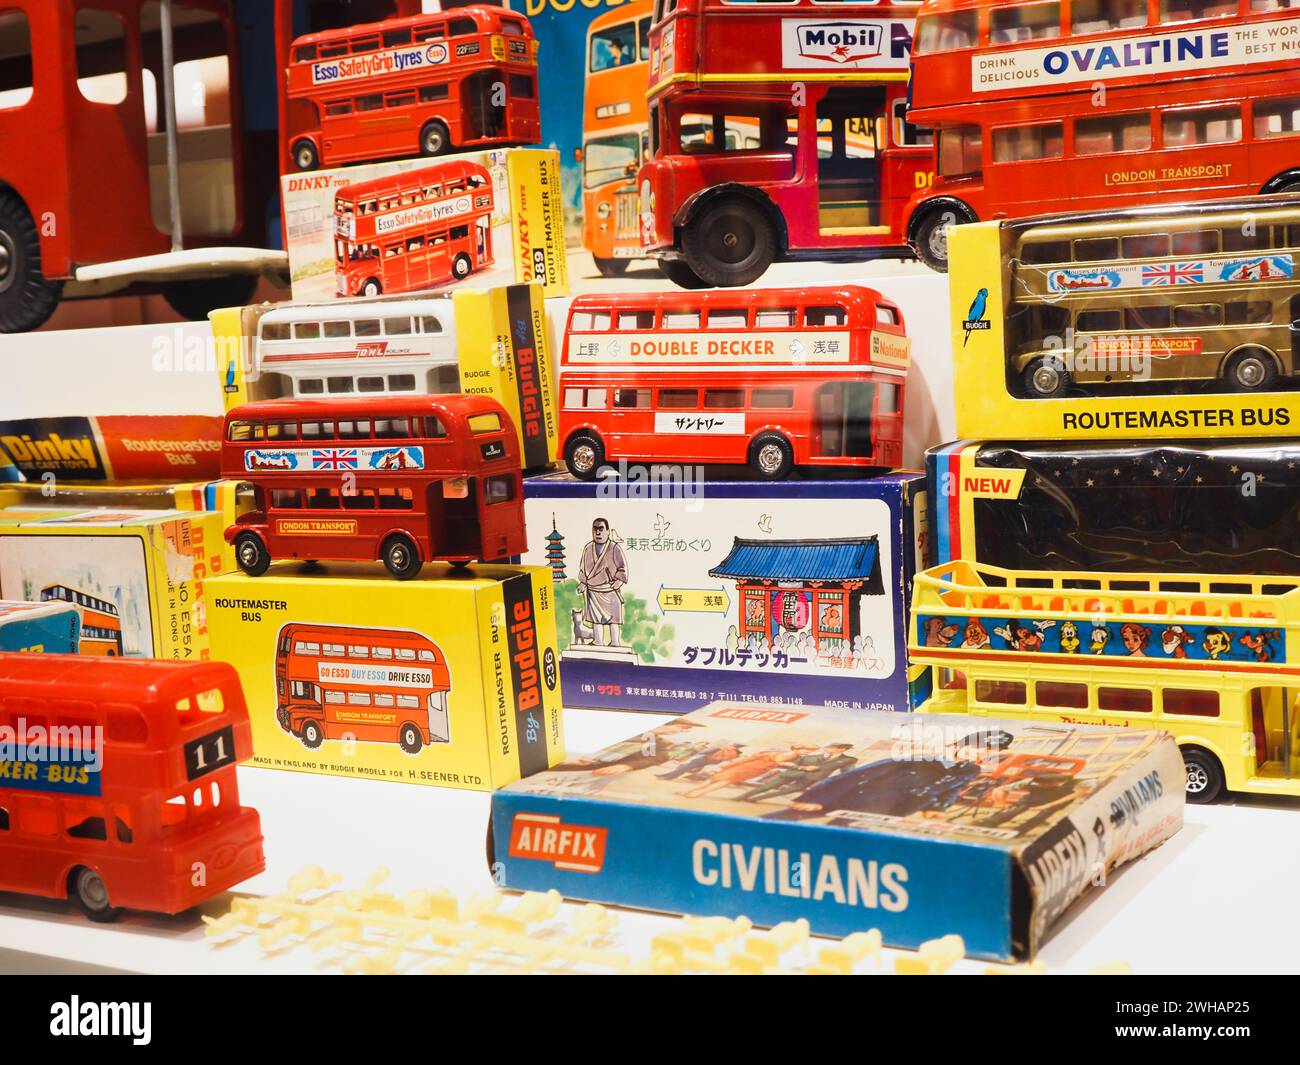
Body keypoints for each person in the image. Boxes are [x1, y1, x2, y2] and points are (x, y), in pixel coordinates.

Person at [764, 730, 1013, 822]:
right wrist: (814, 795)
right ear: (961, 744)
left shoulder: (971, 770)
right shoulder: (917, 757)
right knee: (789, 817)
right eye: (983, 748)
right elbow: (857, 775)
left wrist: (939, 807)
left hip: (894, 812)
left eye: (991, 752)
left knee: (846, 841)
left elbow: (951, 789)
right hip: (853, 799)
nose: (984, 755)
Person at [739, 743, 856, 803]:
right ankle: (742, 796)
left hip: (812, 778)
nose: (828, 748)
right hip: (792, 773)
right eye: (829, 747)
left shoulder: (848, 759)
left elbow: (847, 771)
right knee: (768, 786)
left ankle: (757, 798)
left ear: (842, 749)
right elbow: (792, 763)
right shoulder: (811, 755)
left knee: (788, 790)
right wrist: (803, 768)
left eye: (832, 747)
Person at [577, 518, 628, 647]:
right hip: (593, 590)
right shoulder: (588, 548)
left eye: (601, 529)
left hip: (610, 589)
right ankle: (598, 640)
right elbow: (583, 569)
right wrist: (583, 583)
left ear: (608, 531)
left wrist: (618, 582)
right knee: (596, 618)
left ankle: (615, 642)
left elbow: (622, 568)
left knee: (613, 618)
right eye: (595, 529)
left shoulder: (615, 548)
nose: (598, 532)